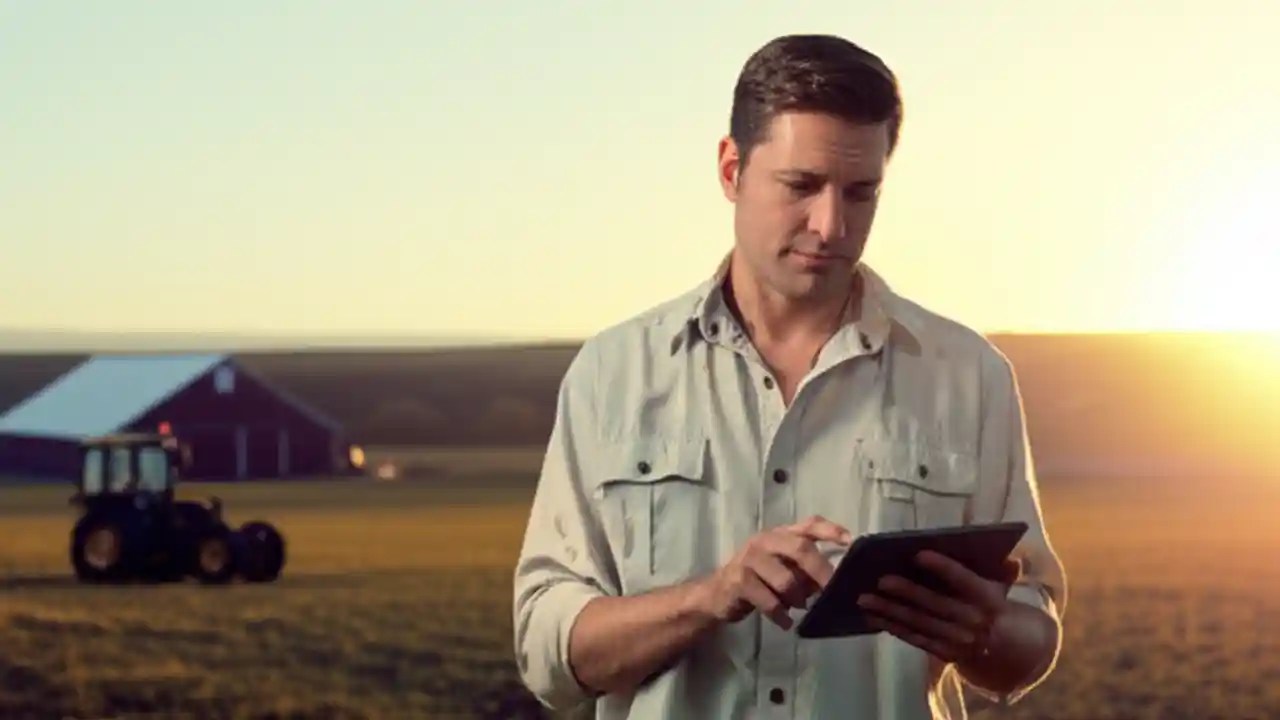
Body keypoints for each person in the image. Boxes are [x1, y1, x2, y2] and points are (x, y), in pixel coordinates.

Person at [512, 33, 1067, 720]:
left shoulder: (970, 377)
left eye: (861, 193)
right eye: (801, 186)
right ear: (730, 170)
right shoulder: (612, 373)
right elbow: (547, 654)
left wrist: (988, 632)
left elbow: (1032, 632)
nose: (831, 225)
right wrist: (710, 596)